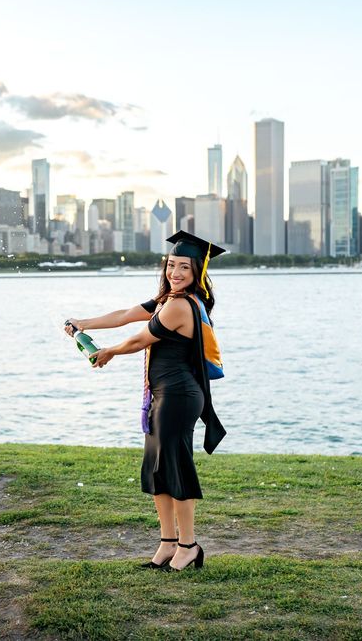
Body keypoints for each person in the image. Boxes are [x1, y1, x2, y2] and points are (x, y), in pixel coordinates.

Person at [64, 231, 226, 571]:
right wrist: (84, 323)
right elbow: (125, 315)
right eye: (171, 265)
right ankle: (168, 542)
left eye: (184, 267)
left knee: (176, 469)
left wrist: (108, 351)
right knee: (157, 469)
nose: (175, 272)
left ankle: (189, 545)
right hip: (162, 395)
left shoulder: (182, 305)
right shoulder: (168, 299)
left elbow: (140, 339)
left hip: (179, 396)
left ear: (197, 271)